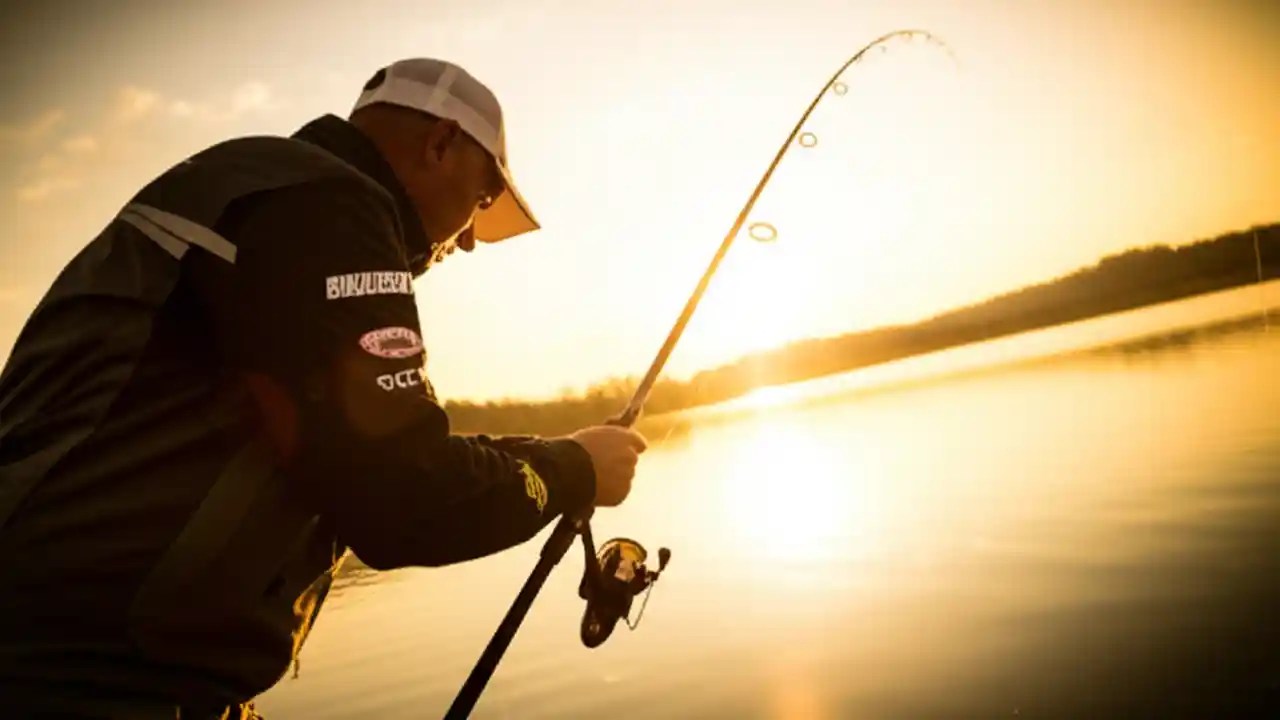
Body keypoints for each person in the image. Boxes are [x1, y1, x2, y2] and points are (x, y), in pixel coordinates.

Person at [0, 58, 648, 718]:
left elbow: (359, 445)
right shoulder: (334, 205)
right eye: (483, 200)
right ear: (441, 144)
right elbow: (403, 493)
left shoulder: (260, 191)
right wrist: (572, 471)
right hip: (92, 685)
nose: (474, 240)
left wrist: (555, 450)